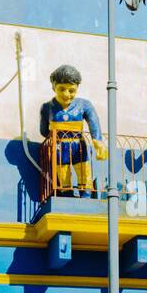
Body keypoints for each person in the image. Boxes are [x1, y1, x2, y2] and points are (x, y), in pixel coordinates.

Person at [39, 64, 106, 196]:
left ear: (77, 89)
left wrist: (98, 141)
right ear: (54, 87)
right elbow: (43, 131)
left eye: (71, 90)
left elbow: (94, 122)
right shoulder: (47, 107)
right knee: (63, 175)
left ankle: (85, 195)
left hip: (78, 146)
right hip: (59, 147)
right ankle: (67, 194)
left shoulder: (84, 105)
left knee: (84, 172)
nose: (66, 94)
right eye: (61, 89)